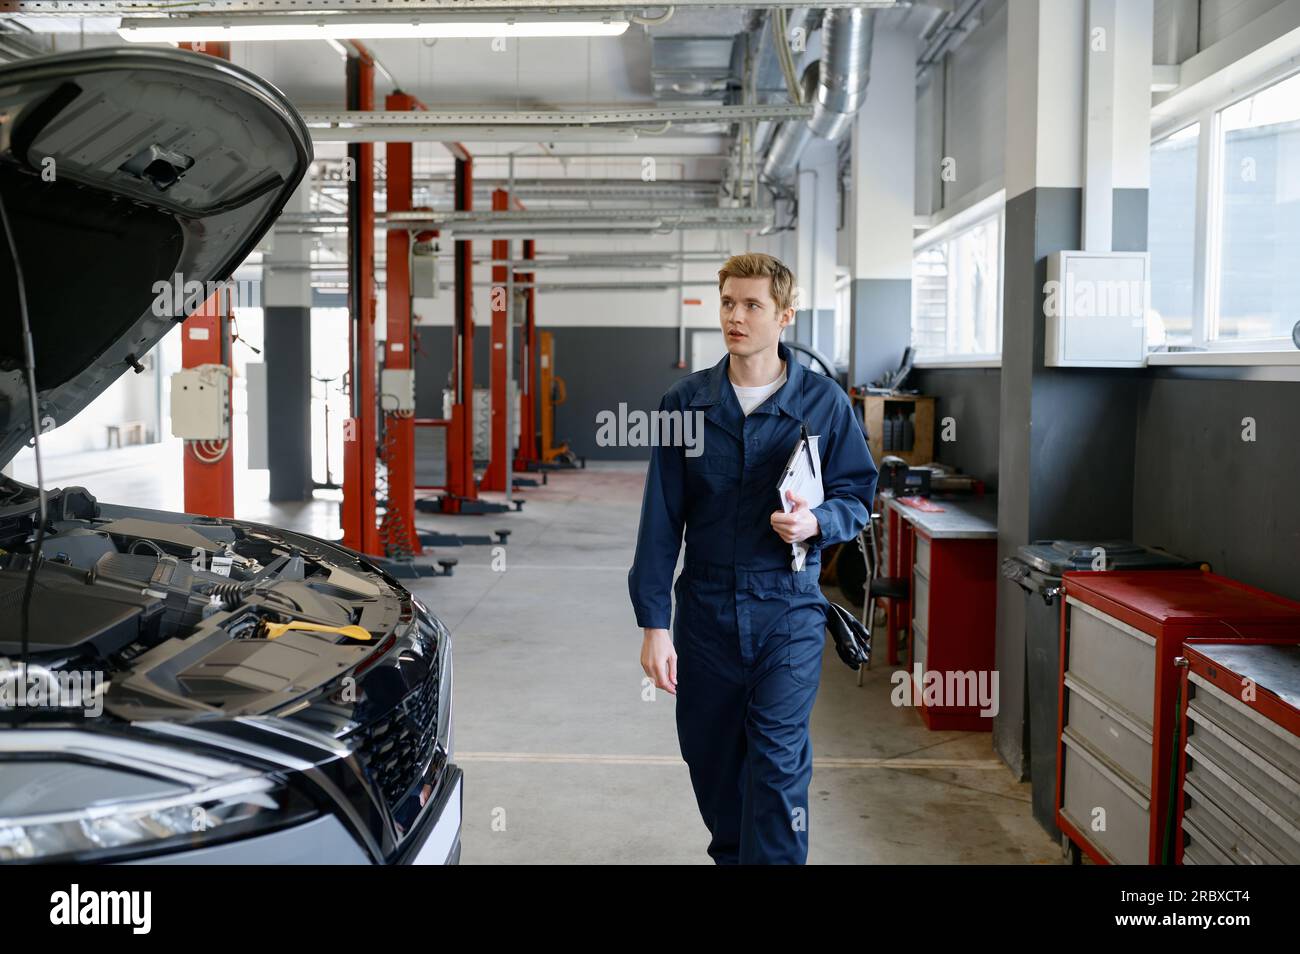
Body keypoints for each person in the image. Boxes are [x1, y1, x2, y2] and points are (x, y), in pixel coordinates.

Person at [628, 252, 879, 864]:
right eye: (728, 304)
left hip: (788, 607)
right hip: (706, 609)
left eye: (752, 305)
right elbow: (660, 521)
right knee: (712, 759)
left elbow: (858, 494)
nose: (735, 317)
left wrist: (816, 521)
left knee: (776, 761)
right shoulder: (683, 404)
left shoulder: (824, 404)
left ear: (785, 315)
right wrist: (654, 626)